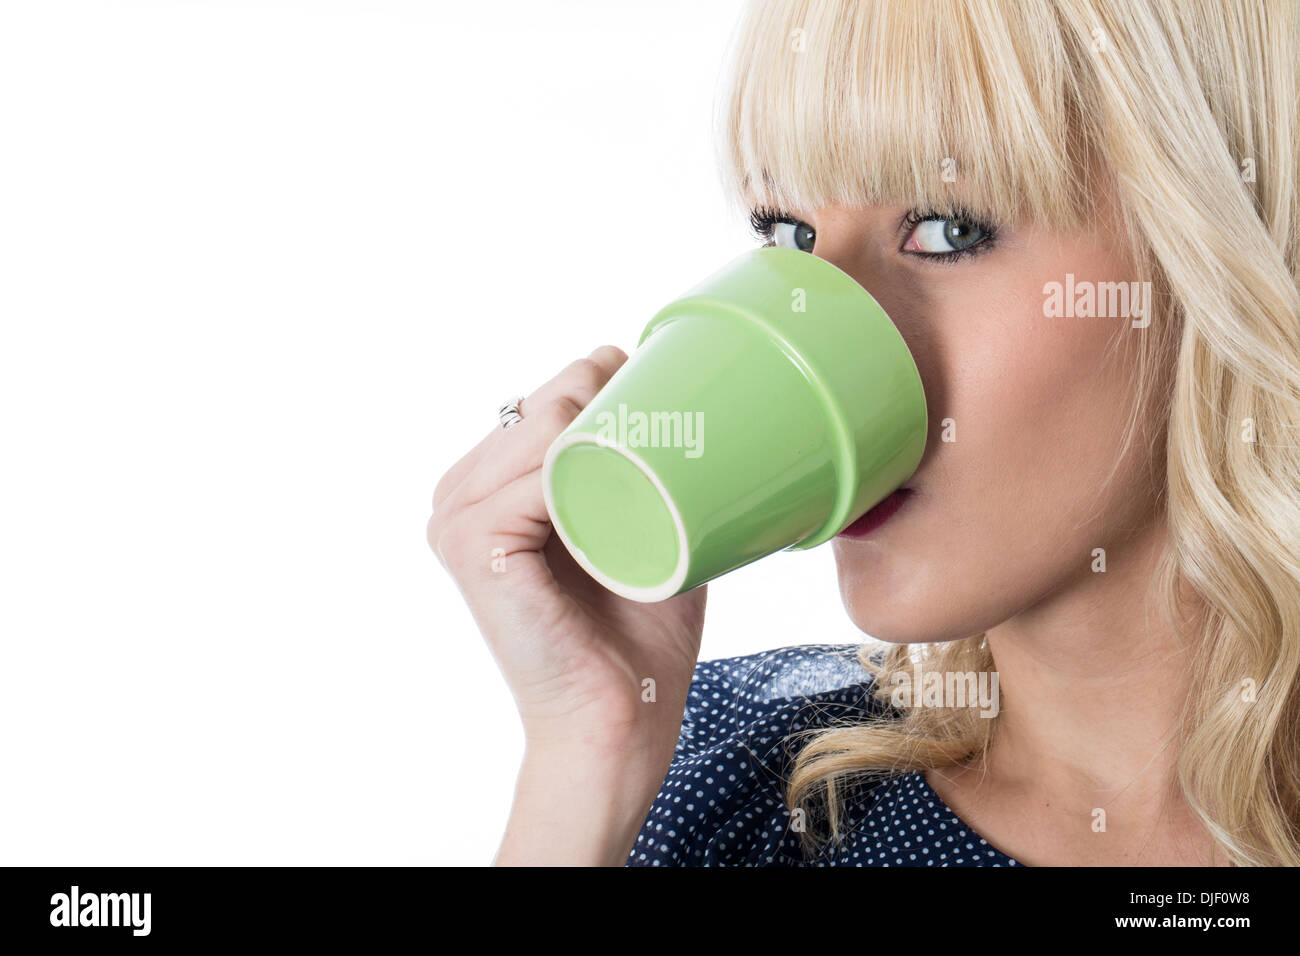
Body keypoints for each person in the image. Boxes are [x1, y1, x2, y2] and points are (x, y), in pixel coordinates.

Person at [428, 0, 1300, 866]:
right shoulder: (717, 795)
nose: (817, 327)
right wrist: (588, 768)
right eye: (789, 234)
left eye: (947, 228)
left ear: (1218, 254)